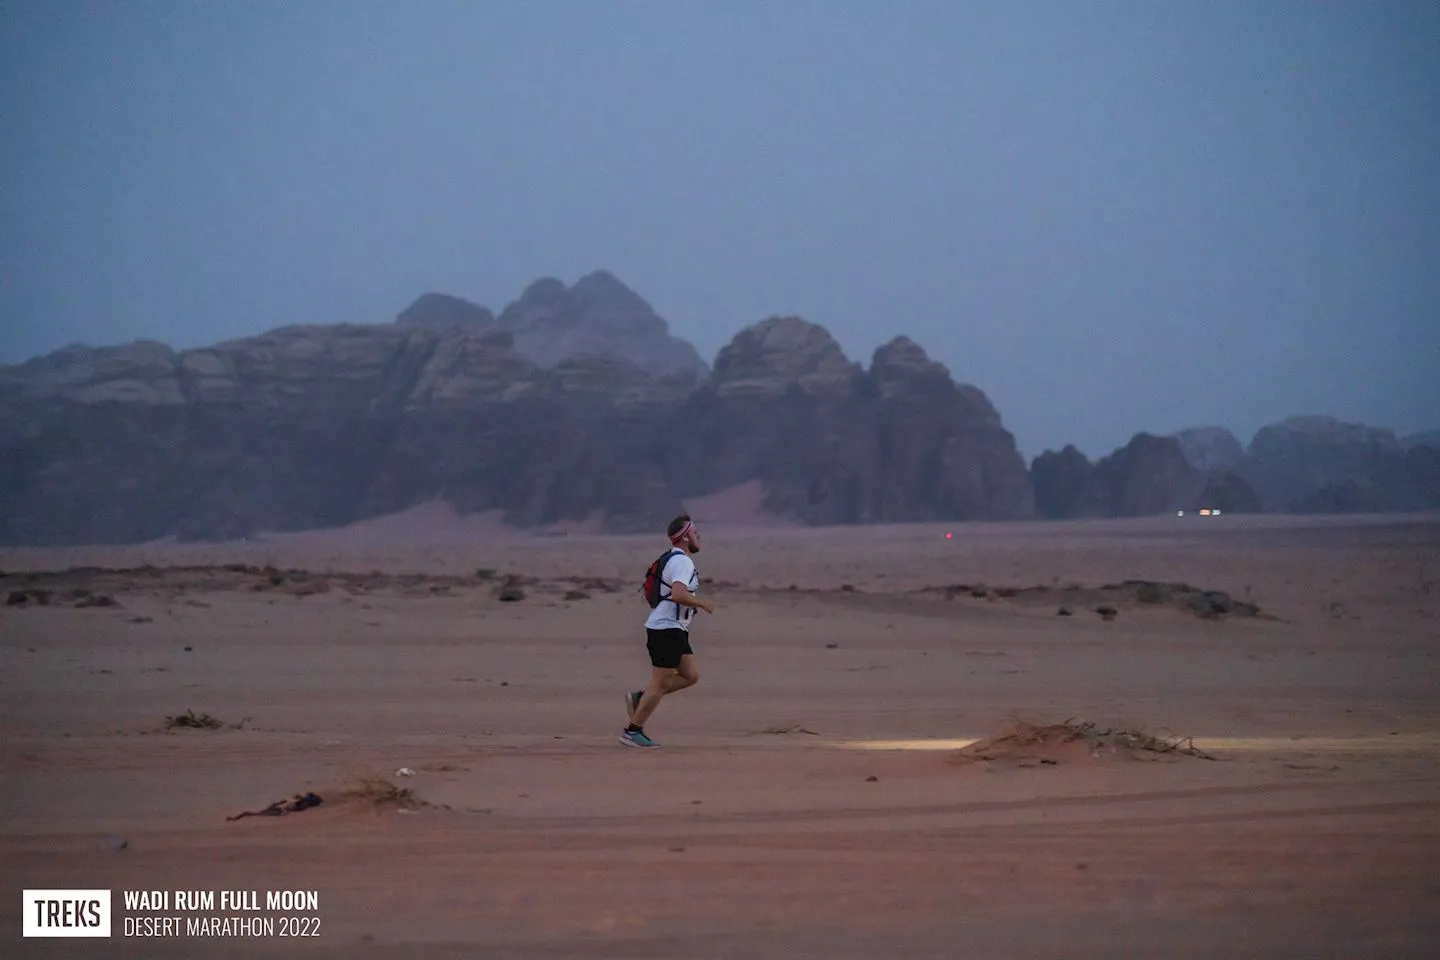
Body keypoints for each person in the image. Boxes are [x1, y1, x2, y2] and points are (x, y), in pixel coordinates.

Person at [621, 514, 713, 748]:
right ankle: (633, 731)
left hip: (674, 629)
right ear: (685, 537)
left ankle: (641, 698)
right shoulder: (682, 562)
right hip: (666, 629)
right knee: (660, 683)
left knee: (691, 675)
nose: (699, 536)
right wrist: (701, 603)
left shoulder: (674, 558)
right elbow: (679, 594)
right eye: (694, 532)